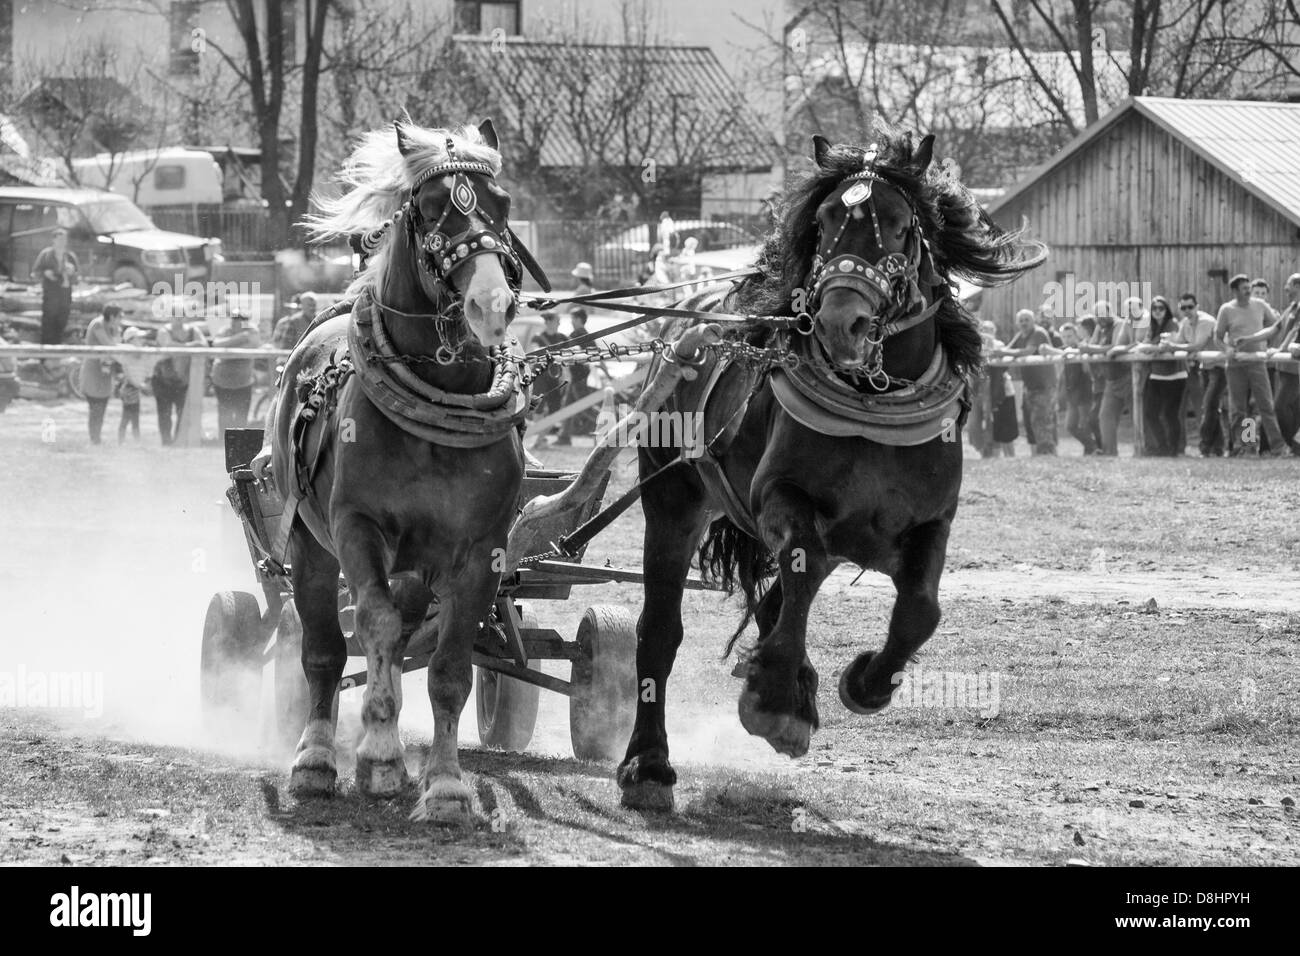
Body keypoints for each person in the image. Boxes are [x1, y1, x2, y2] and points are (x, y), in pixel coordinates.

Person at [1216, 273, 1288, 457]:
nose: (1248, 292)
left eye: (1249, 288)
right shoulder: (1226, 310)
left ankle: (1278, 448)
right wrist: (1226, 349)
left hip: (1257, 362)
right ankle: (1245, 447)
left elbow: (1276, 327)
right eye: (1244, 289)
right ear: (1234, 291)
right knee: (1239, 409)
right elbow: (1218, 337)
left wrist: (1273, 347)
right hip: (1236, 365)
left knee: (1266, 406)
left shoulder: (1260, 306)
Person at [1077, 300, 1131, 456]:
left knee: (1137, 415)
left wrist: (1089, 348)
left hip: (1126, 377)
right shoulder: (1101, 328)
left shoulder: (1119, 325)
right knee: (1105, 416)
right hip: (1111, 379)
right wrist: (1093, 338)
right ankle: (1110, 453)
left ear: (1110, 311)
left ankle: (1145, 449)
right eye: (1097, 315)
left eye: (1103, 313)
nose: (1100, 318)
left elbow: (1114, 346)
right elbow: (1091, 346)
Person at [998, 308, 1056, 454]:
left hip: (1044, 385)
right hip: (1029, 385)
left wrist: (1002, 352)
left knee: (1041, 420)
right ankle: (1040, 454)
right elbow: (1008, 349)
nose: (1024, 323)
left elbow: (1027, 351)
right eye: (1021, 320)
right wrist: (999, 352)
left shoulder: (1038, 332)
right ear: (1017, 323)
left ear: (1033, 321)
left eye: (1027, 320)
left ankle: (1047, 455)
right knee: (1030, 422)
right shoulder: (1021, 335)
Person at [1176, 292, 1226, 456]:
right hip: (1205, 367)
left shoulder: (1206, 321)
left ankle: (1206, 446)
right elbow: (1180, 343)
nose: (1187, 310)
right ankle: (1219, 448)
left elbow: (1196, 345)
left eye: (1190, 307)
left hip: (1220, 367)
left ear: (1197, 306)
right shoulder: (1185, 323)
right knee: (1212, 408)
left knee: (1210, 406)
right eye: (1183, 307)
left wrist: (1175, 346)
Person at [1135, 296, 1186, 456]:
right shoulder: (1151, 327)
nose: (1157, 311)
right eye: (1155, 308)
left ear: (1167, 310)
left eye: (1161, 308)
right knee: (1150, 413)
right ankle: (1163, 446)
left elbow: (1167, 346)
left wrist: (1150, 347)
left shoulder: (1173, 324)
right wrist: (1151, 347)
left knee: (1170, 414)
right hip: (1156, 374)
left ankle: (1173, 450)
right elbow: (1144, 345)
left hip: (1175, 374)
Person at [151, 306, 209, 445]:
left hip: (183, 380)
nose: (178, 319)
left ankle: (177, 442)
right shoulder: (164, 331)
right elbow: (169, 346)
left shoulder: (192, 330)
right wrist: (191, 346)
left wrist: (188, 345)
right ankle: (166, 442)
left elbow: (204, 345)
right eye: (175, 316)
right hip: (162, 379)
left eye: (180, 316)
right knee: (164, 414)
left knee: (182, 414)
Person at [1042, 321, 1096, 454]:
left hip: (1084, 392)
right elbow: (1044, 348)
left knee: (1085, 425)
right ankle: (1093, 445)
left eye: (1070, 336)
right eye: (1064, 336)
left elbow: (1085, 366)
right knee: (1070, 426)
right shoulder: (1063, 350)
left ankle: (1091, 450)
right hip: (1072, 393)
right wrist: (1060, 352)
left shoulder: (1082, 347)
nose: (1067, 339)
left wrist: (1064, 353)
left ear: (1076, 335)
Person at [210, 308, 262, 437]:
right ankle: (223, 441)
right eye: (234, 319)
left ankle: (239, 442)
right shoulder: (225, 331)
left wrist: (229, 349)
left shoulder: (252, 331)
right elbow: (216, 345)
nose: (236, 322)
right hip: (222, 381)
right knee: (224, 413)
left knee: (241, 414)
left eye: (240, 319)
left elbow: (252, 346)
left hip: (243, 381)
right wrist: (240, 338)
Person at [78, 304, 122, 445]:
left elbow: (117, 345)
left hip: (105, 373)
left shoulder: (114, 329)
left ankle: (97, 438)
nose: (121, 320)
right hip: (93, 371)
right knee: (95, 407)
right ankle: (94, 439)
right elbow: (109, 344)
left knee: (102, 406)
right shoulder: (98, 325)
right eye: (119, 317)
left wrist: (116, 333)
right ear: (112, 316)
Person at [31, 227, 79, 346]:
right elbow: (35, 273)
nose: (62, 242)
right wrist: (45, 273)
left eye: (64, 239)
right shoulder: (46, 255)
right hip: (51, 294)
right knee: (48, 325)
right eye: (59, 239)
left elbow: (78, 277)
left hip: (65, 295)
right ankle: (46, 357)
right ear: (54, 240)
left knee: (62, 323)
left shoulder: (70, 256)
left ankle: (57, 355)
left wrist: (72, 273)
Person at [556, 308, 596, 446]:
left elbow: (567, 353)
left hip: (577, 377)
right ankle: (564, 437)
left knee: (585, 407)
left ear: (578, 319)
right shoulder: (586, 335)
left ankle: (607, 428)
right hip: (580, 375)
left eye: (572, 318)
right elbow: (595, 352)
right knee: (568, 406)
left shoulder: (576, 334)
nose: (571, 321)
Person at [1270, 274, 1300, 452]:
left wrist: (1280, 349)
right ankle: (1248, 446)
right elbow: (1274, 329)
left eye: (1288, 284)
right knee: (1246, 409)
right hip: (1273, 365)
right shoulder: (1290, 308)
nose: (1285, 288)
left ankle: (1289, 445)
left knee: (1276, 407)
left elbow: (1294, 332)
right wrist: (1247, 340)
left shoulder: (1265, 310)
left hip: (1282, 366)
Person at [530, 311, 568, 439]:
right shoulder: (537, 338)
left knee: (555, 408)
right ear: (549, 322)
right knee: (538, 406)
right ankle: (541, 439)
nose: (559, 323)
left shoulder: (563, 338)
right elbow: (535, 350)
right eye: (557, 320)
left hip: (555, 376)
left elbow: (573, 351)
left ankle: (541, 437)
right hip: (540, 375)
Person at [116, 327, 148, 443]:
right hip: (130, 388)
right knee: (127, 418)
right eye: (138, 338)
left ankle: (136, 442)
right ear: (130, 340)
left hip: (135, 388)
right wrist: (139, 385)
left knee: (135, 418)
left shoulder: (137, 353)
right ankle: (122, 442)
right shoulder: (127, 354)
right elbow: (129, 374)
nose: (141, 340)